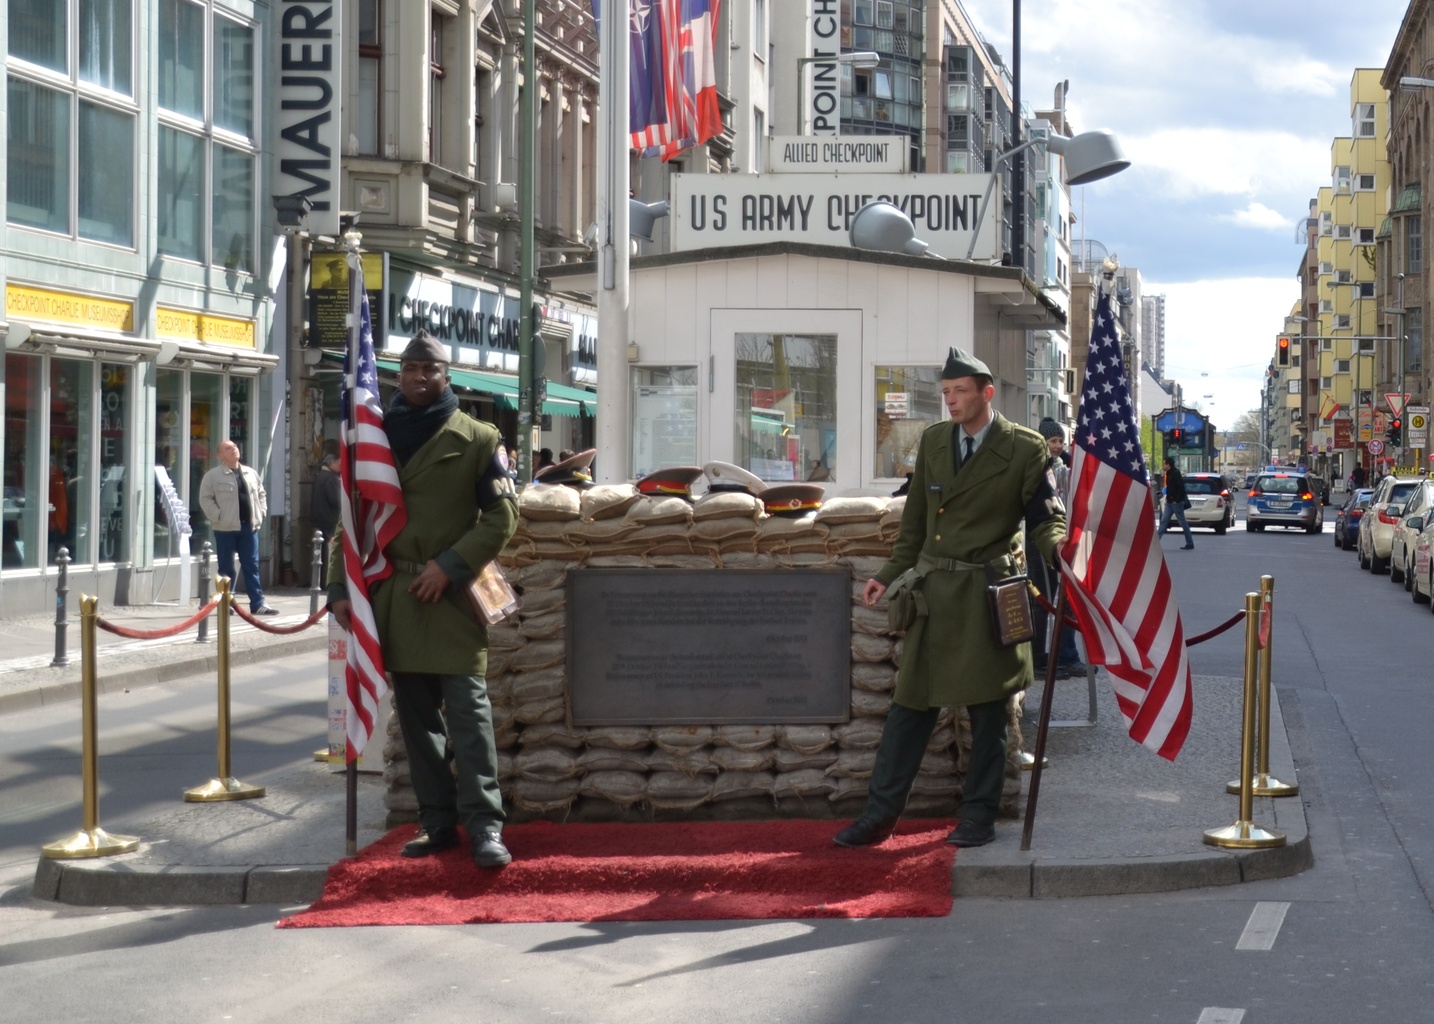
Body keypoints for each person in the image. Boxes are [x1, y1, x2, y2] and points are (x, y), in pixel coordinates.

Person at [833, 347, 1067, 850]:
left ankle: (979, 815)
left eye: (960, 391)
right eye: (945, 392)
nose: (951, 401)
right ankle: (880, 815)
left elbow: (1046, 518)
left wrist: (1061, 551)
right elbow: (916, 522)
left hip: (988, 594)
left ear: (987, 393)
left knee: (988, 713)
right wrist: (889, 574)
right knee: (909, 708)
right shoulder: (936, 441)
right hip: (936, 592)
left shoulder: (1024, 448)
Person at [328, 330, 519, 869]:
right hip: (395, 596)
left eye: (429, 369)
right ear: (399, 375)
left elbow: (504, 516)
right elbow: (351, 518)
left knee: (469, 717)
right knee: (416, 723)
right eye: (411, 369)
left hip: (452, 597)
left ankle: (484, 825)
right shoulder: (375, 438)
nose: (419, 377)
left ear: (446, 376)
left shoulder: (478, 438)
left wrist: (451, 566)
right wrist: (339, 585)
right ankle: (436, 822)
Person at [199, 439, 278, 615]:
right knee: (226, 568)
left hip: (249, 527)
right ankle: (226, 602)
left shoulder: (250, 473)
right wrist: (218, 516)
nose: (234, 449)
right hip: (225, 528)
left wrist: (261, 512)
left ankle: (258, 603)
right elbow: (205, 499)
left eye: (235, 446)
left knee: (251, 565)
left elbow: (261, 494)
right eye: (228, 448)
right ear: (220, 455)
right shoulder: (213, 476)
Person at [1034, 418, 1084, 679]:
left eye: (1060, 441)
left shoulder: (1062, 465)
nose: (1057, 445)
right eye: (1052, 441)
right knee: (1043, 600)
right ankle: (1038, 657)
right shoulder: (1036, 466)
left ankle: (1065, 655)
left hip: (1062, 537)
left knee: (1068, 600)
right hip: (1040, 539)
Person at [309, 452, 342, 586]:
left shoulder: (320, 476)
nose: (341, 466)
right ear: (331, 463)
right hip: (329, 520)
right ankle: (327, 582)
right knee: (329, 554)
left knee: (320, 554)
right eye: (339, 463)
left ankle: (320, 582)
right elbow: (336, 500)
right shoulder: (331, 478)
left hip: (318, 519)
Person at [1158, 456, 1195, 549]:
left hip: (1176, 502)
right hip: (1170, 502)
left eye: (1164, 463)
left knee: (1182, 522)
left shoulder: (1175, 473)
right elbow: (1170, 487)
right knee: (1164, 521)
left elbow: (1180, 487)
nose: (1163, 465)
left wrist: (1176, 499)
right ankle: (1155, 543)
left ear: (1168, 464)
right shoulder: (1169, 473)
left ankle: (1190, 543)